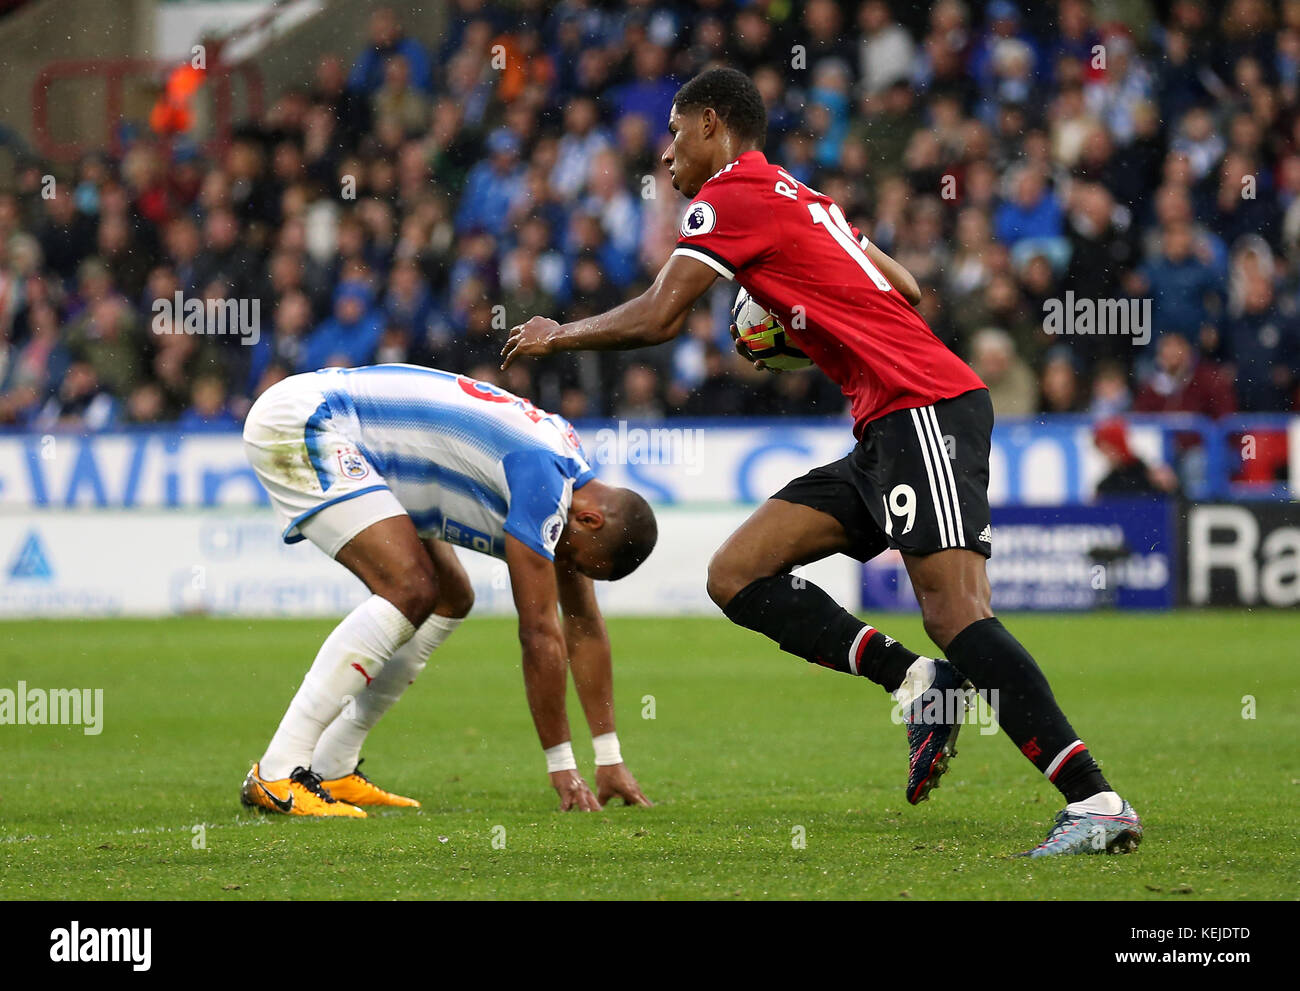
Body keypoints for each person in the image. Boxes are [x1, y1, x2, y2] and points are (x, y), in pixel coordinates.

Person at [502, 67, 1140, 857]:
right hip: (884, 427)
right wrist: (808, 318)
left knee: (957, 613)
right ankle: (919, 685)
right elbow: (903, 287)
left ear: (710, 123)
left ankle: (1097, 800)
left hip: (924, 406)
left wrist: (556, 333)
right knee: (735, 573)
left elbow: (662, 314)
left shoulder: (729, 197)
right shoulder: (804, 197)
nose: (665, 154)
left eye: (673, 132)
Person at [239, 363, 656, 816]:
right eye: (574, 559)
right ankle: (278, 771)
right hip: (309, 420)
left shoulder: (567, 476)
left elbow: (583, 624)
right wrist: (561, 764)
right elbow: (539, 633)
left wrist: (609, 757)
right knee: (409, 588)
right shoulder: (544, 479)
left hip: (350, 431)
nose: (565, 567)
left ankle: (333, 765)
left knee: (449, 596)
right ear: (590, 519)